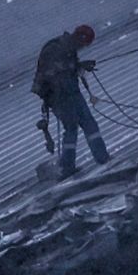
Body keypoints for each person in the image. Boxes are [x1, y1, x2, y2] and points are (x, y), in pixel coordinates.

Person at [32, 24, 110, 177]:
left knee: (90, 124)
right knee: (71, 129)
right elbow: (51, 71)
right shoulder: (54, 48)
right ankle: (67, 167)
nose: (82, 48)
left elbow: (67, 69)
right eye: (83, 44)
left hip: (72, 93)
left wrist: (79, 67)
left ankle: (103, 158)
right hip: (58, 97)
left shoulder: (68, 49)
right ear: (79, 38)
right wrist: (77, 66)